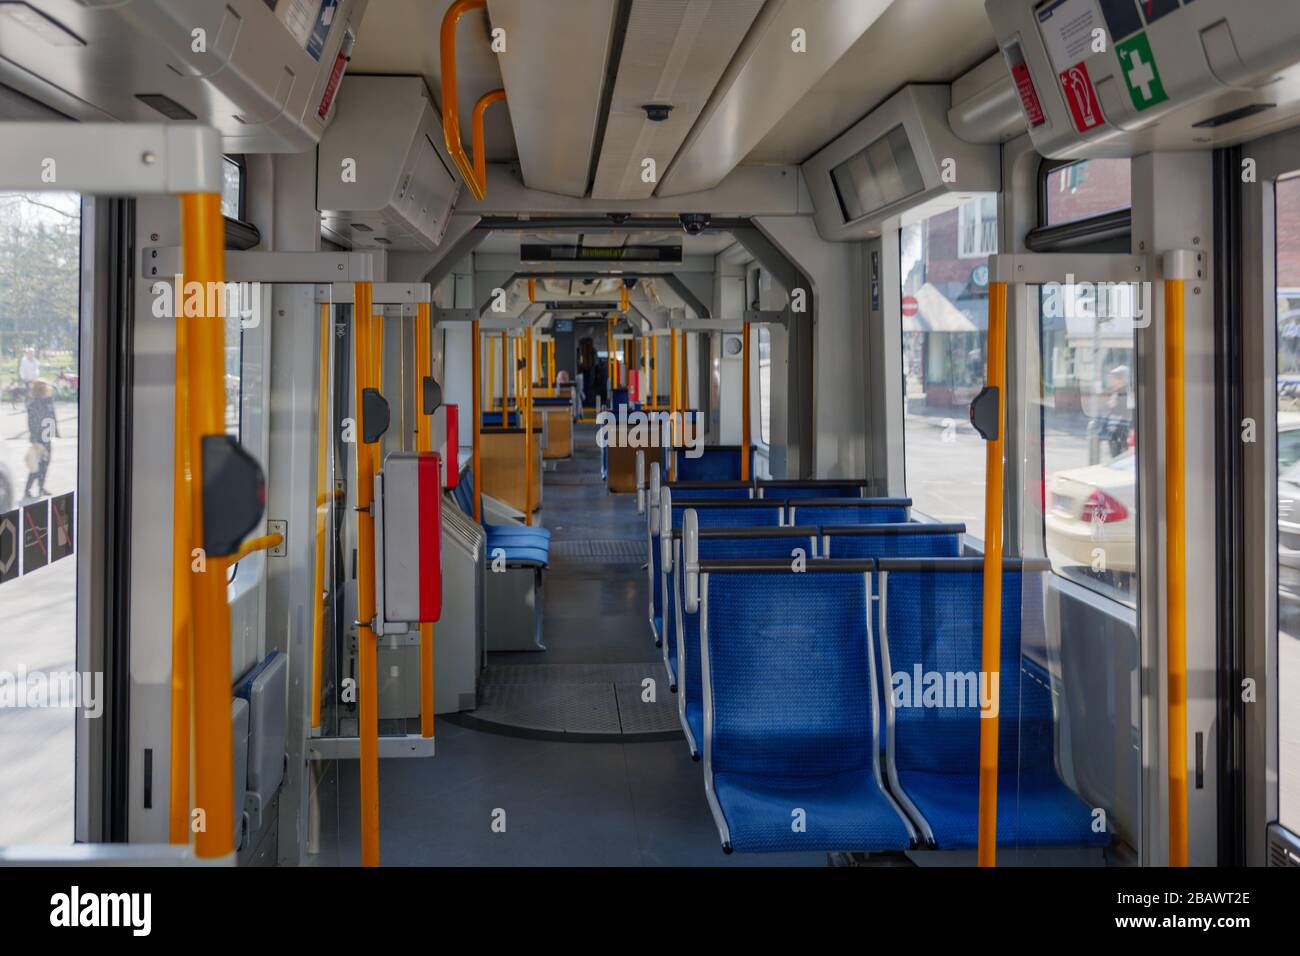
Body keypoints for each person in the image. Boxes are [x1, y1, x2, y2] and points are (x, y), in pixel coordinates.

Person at [24, 379, 58, 500]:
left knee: (45, 464)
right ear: (41, 390)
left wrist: (55, 432)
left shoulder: (48, 401)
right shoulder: (34, 404)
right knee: (36, 465)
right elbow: (32, 422)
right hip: (38, 439)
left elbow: (52, 416)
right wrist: (33, 439)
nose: (48, 389)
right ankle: (27, 489)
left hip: (47, 437)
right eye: (46, 388)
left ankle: (41, 487)